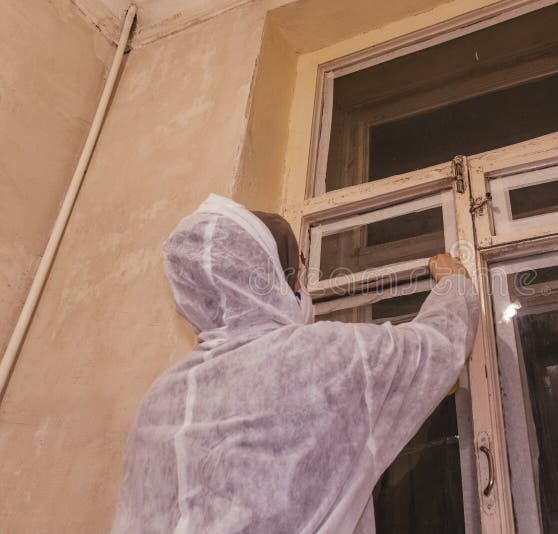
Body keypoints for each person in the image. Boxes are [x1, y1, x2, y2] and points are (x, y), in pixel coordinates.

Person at [111, 194, 478, 533]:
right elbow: (438, 349)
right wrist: (454, 285)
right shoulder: (319, 357)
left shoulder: (160, 400)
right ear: (271, 277)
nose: (303, 285)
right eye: (297, 270)